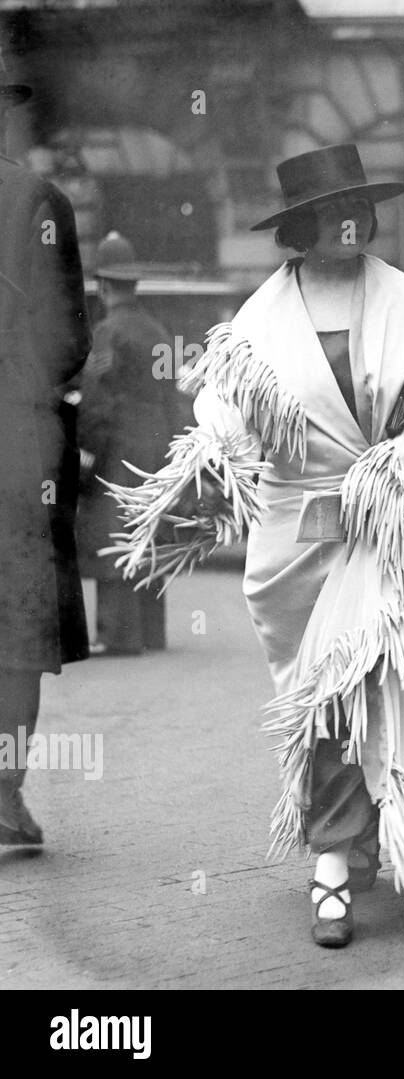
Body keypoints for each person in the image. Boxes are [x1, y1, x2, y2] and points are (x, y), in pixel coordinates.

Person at [103, 144, 404, 947]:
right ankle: (351, 832)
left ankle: (330, 868)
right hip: (293, 542)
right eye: (333, 208)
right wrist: (202, 472)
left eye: (359, 205)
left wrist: (389, 475)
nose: (351, 219)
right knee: (322, 702)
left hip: (379, 527)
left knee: (355, 687)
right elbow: (224, 420)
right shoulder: (257, 326)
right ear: (302, 224)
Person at [0, 64, 91, 846]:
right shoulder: (40, 203)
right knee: (16, 632)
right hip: (16, 449)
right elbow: (69, 343)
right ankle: (2, 796)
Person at [77, 231, 183, 654]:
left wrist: (88, 451)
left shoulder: (106, 332)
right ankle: (152, 633)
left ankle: (118, 635)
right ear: (133, 284)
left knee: (113, 531)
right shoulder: (160, 332)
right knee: (150, 532)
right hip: (158, 441)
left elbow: (96, 398)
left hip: (118, 444)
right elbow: (174, 392)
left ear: (103, 286)